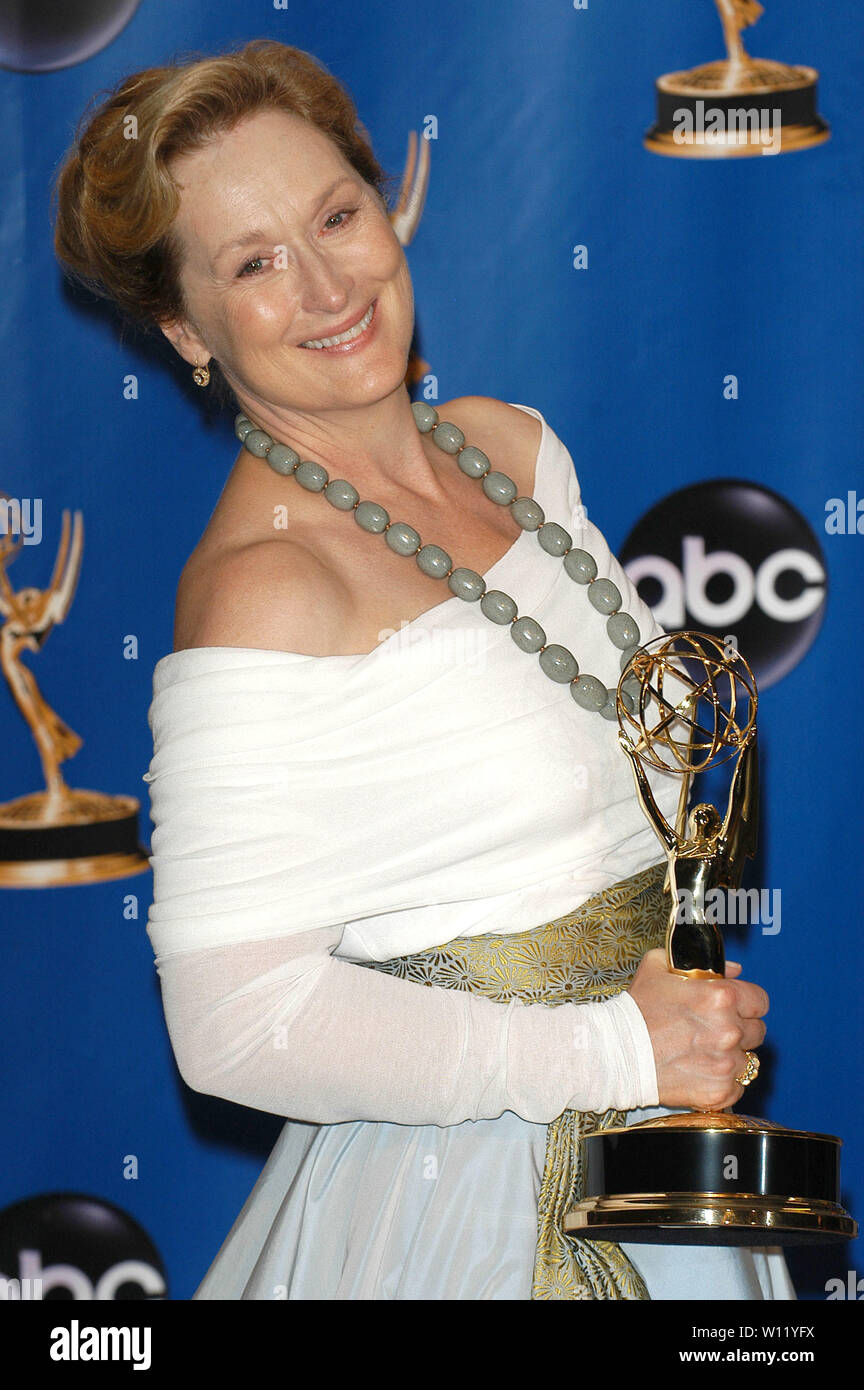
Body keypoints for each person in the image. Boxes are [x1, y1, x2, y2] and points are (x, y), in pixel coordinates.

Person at [53, 39, 792, 1300]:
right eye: (254, 263)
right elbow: (237, 1029)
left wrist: (664, 1023)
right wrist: (617, 1047)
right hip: (489, 1209)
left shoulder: (514, 448)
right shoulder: (263, 593)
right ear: (186, 326)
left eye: (336, 213)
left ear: (386, 201)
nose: (329, 282)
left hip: (655, 1136)